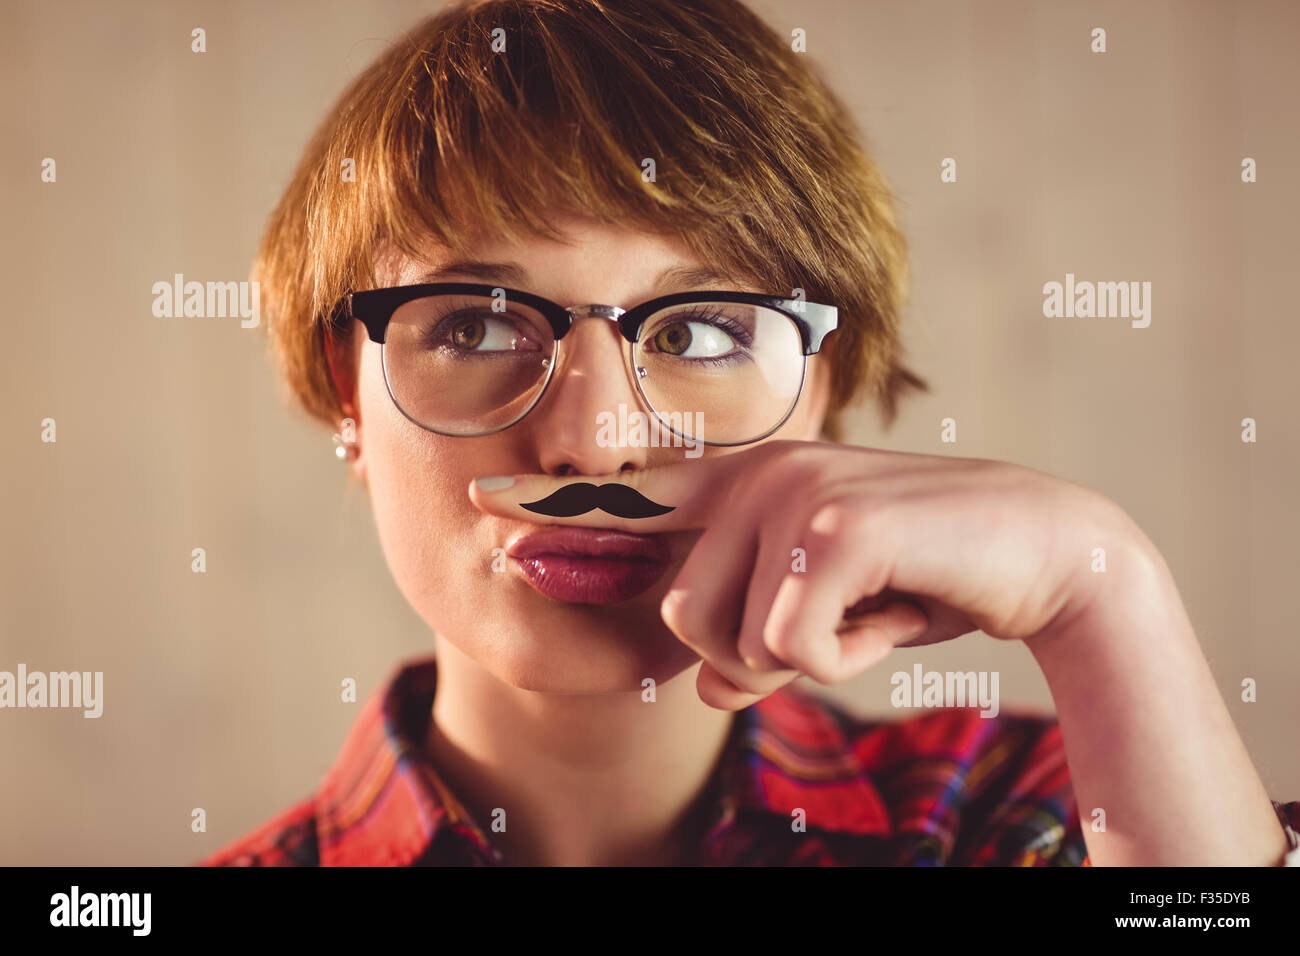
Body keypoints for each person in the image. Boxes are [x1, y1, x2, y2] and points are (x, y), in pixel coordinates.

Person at [200, 0, 1299, 866]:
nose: (592, 443)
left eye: (706, 330)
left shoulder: (1036, 818)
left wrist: (1105, 593)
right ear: (349, 387)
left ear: (820, 394)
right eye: (479, 323)